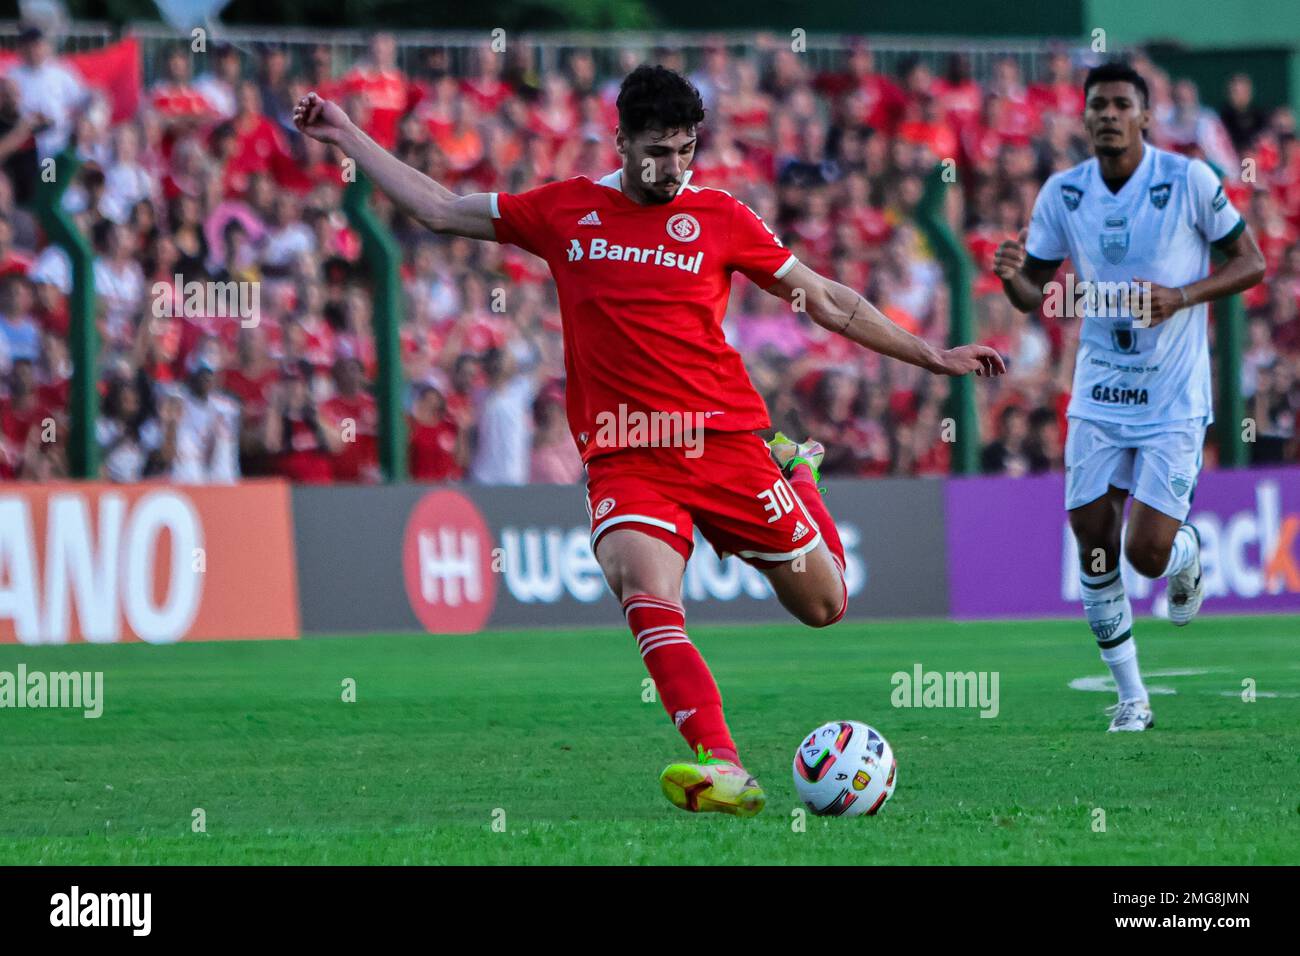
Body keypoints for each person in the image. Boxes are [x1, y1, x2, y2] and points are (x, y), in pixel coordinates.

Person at [294, 65, 1003, 817]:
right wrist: (346, 135)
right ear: (621, 141)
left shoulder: (722, 216)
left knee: (826, 606)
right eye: (657, 152)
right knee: (643, 584)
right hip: (627, 453)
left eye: (685, 151)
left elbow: (826, 298)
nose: (672, 169)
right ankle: (722, 764)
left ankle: (798, 476)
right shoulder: (566, 210)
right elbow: (438, 207)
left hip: (728, 441)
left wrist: (932, 355)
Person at [994, 61, 1266, 732]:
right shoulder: (1064, 193)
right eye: (1097, 106)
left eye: (1121, 104)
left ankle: (1183, 552)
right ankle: (1132, 698)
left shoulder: (1188, 180)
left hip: (1173, 394)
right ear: (1083, 118)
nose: (1108, 114)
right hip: (1098, 391)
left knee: (1145, 553)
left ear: (1145, 116)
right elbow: (1034, 291)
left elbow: (1252, 262)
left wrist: (1181, 297)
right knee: (1092, 539)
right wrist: (1010, 281)